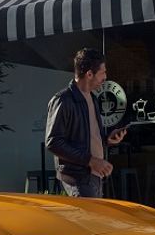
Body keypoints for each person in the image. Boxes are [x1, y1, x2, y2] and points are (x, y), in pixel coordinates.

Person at [45, 48, 127, 198]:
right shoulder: (63, 100)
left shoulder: (93, 99)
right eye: (103, 72)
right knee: (88, 220)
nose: (105, 77)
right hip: (78, 178)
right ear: (89, 74)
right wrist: (91, 160)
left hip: (94, 176)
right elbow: (53, 142)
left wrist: (107, 139)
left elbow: (88, 135)